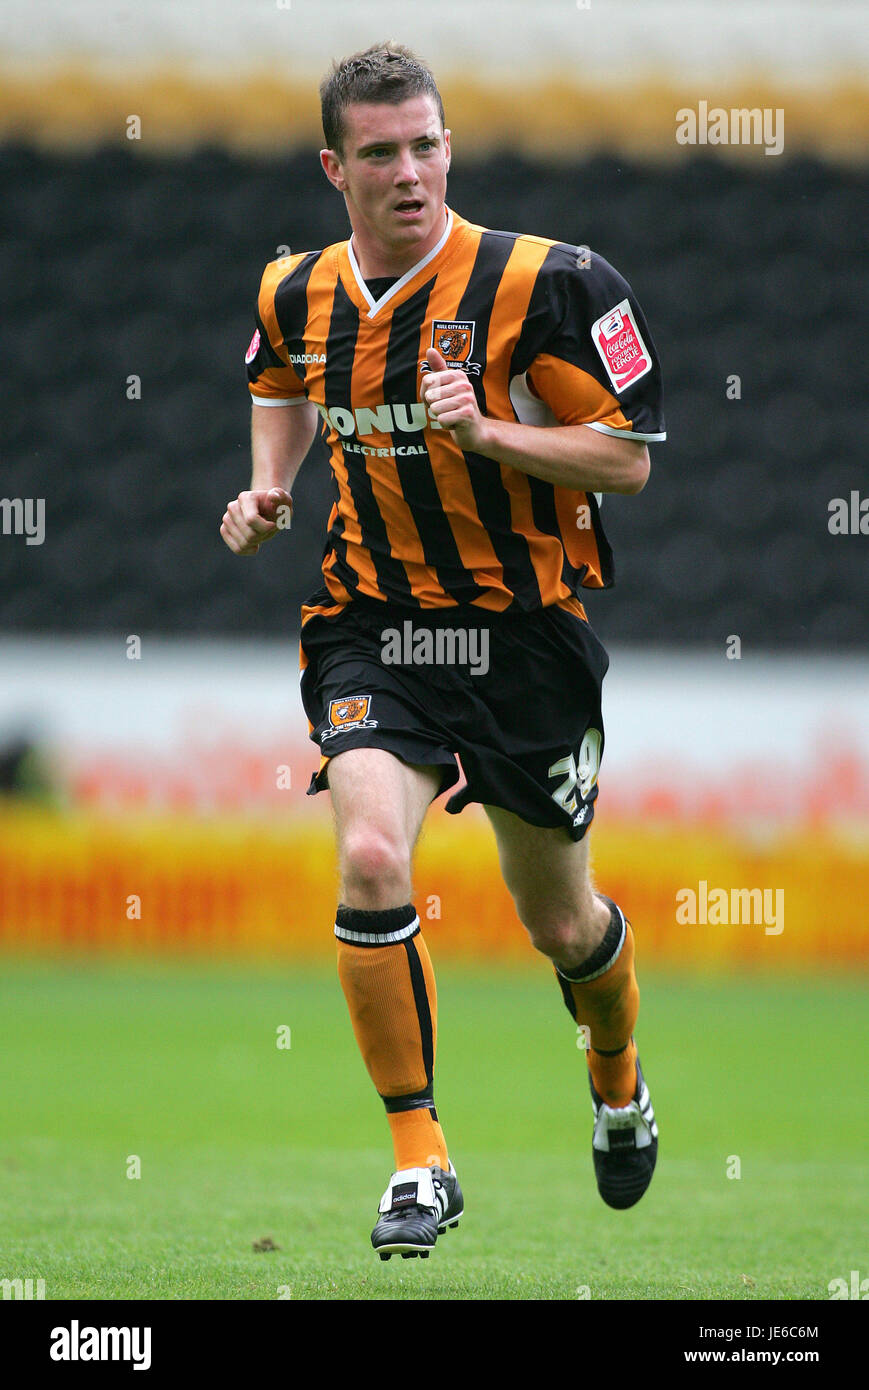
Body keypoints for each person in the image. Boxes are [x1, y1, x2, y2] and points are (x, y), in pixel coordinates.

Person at [221, 41, 665, 1261]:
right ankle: (420, 1161)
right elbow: (279, 379)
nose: (408, 171)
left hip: (523, 640)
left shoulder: (551, 283)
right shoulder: (293, 291)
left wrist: (491, 433)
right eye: (379, 153)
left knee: (560, 923)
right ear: (334, 166)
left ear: (448, 146)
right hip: (372, 626)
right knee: (369, 855)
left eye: (425, 144)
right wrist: (267, 488)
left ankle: (618, 1084)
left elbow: (624, 456)